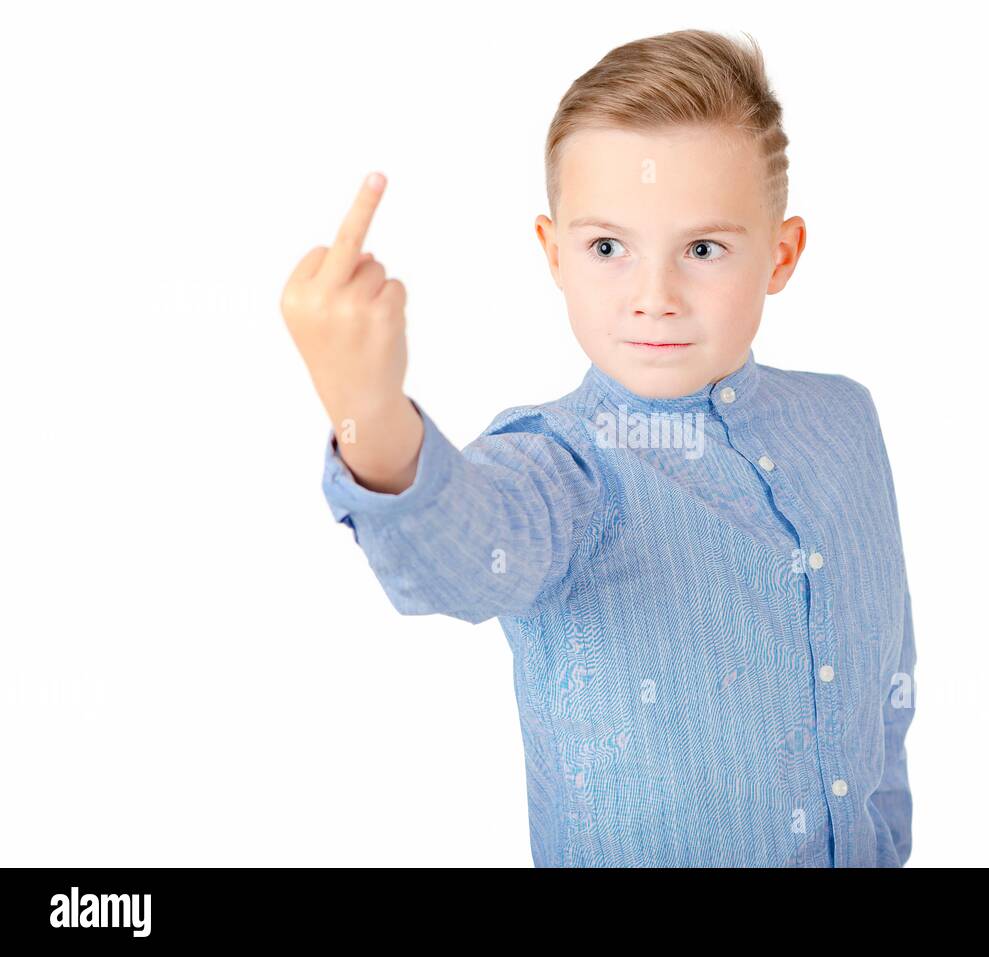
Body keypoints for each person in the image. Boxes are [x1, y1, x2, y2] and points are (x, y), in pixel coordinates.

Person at [280, 28, 916, 867]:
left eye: (703, 248)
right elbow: (459, 554)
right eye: (608, 248)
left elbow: (884, 694)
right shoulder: (563, 467)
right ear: (553, 253)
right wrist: (367, 410)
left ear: (782, 254)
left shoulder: (845, 419)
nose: (654, 298)